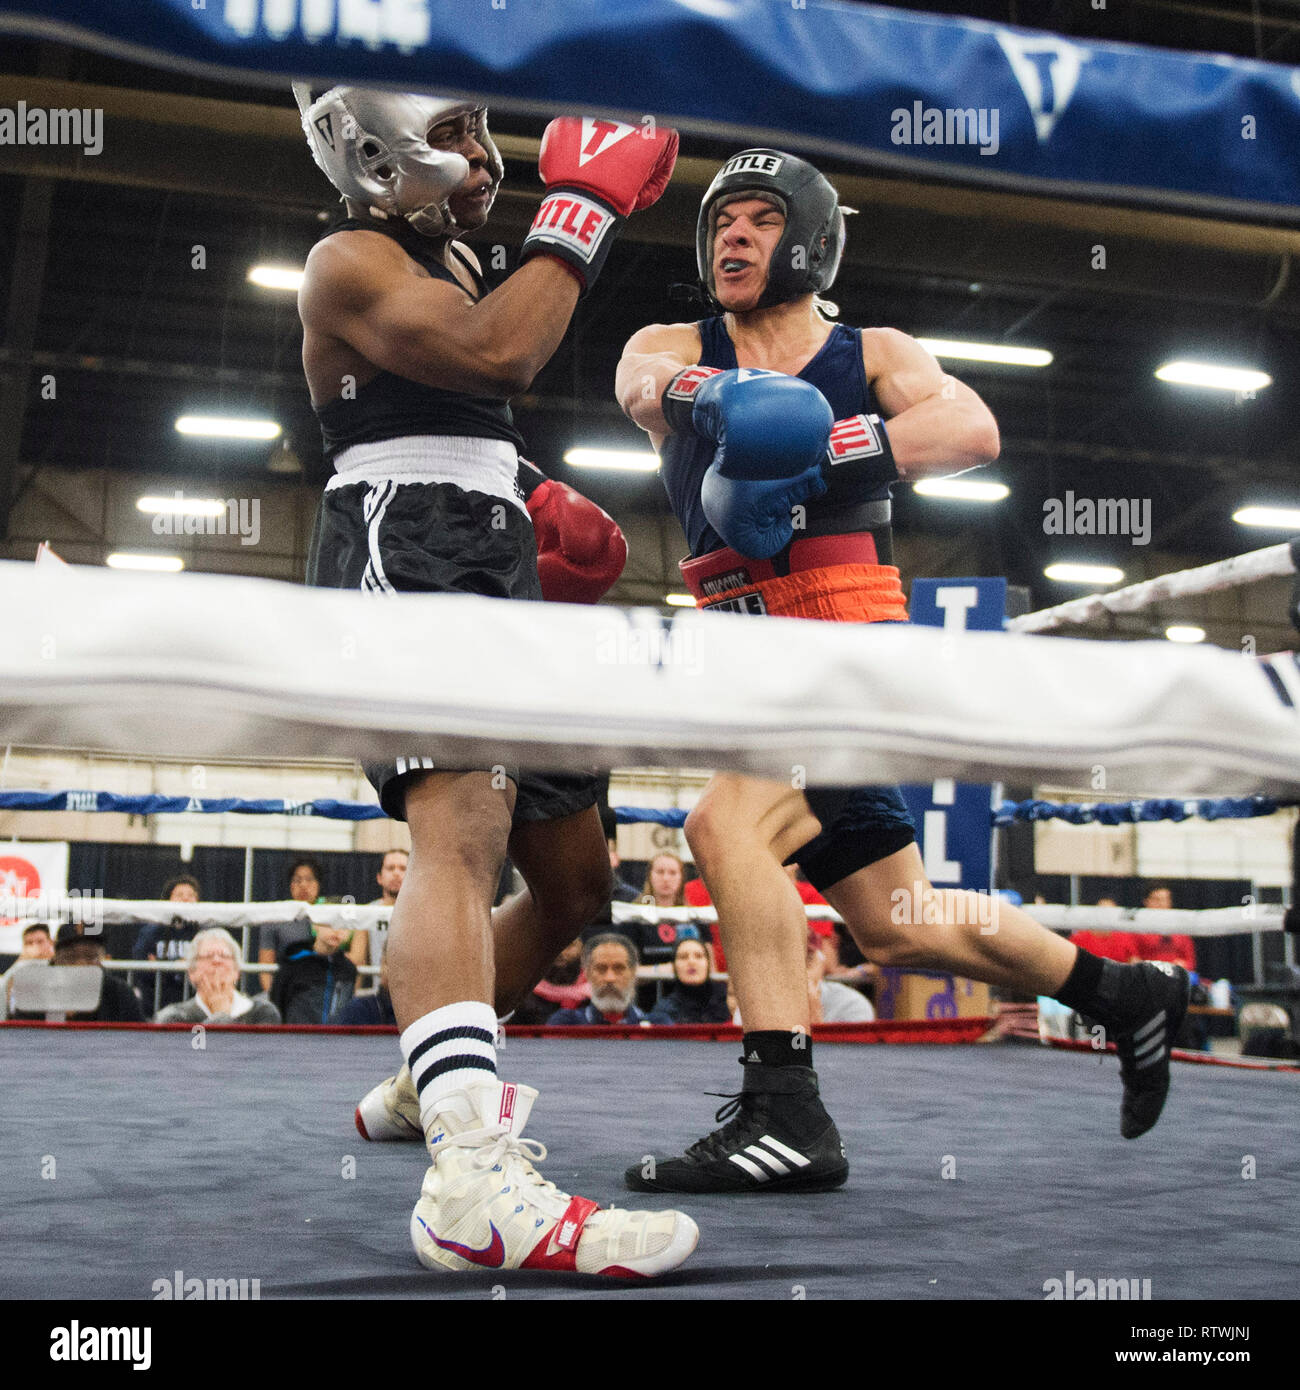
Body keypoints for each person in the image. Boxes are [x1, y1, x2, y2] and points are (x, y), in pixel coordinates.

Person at [613, 148, 1191, 1194]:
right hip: (746, 648)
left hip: (844, 636)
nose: (731, 237)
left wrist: (821, 452)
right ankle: (1122, 993)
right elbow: (639, 387)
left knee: (724, 826)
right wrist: (723, 400)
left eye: (756, 219)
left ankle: (784, 1112)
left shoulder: (870, 348)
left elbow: (969, 426)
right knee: (894, 921)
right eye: (720, 223)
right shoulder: (671, 343)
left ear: (812, 238)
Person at [293, 83, 695, 1276]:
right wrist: (583, 207)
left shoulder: (464, 257)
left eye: (482, 130)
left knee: (575, 881)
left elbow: (477, 386)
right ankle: (469, 1175)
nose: (487, 156)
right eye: (457, 135)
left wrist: (528, 488)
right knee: (460, 832)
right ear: (379, 152)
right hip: (400, 532)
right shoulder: (344, 261)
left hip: (486, 536)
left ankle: (432, 1070)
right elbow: (494, 352)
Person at [155, 929, 281, 1024]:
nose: (217, 961)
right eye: (208, 956)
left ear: (237, 971)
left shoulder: (262, 1013)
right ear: (192, 973)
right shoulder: (173, 1017)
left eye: (224, 956)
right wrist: (221, 1015)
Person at [132, 875, 203, 1015]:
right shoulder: (151, 932)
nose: (186, 899)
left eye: (191, 895)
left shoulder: (203, 934)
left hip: (193, 1006)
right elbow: (141, 968)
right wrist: (180, 966)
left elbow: (202, 970)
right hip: (155, 1005)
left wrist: (161, 966)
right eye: (180, 895)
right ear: (168, 899)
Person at [546, 935, 652, 1026]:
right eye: (601, 969)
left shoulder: (657, 1025)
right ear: (587, 974)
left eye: (619, 968)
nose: (610, 978)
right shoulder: (565, 1024)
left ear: (633, 974)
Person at [269, 922, 358, 1024]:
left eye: (343, 926)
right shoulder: (294, 962)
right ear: (315, 925)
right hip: (297, 1037)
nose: (337, 931)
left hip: (336, 1037)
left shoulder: (348, 969)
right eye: (329, 925)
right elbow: (277, 1004)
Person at [633, 852, 704, 963]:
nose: (666, 878)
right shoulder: (634, 915)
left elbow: (709, 966)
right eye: (660, 872)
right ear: (649, 876)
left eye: (672, 873)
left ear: (682, 878)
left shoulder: (694, 916)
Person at [647, 938, 730, 1024]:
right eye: (683, 957)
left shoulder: (729, 1002)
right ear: (674, 967)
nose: (691, 962)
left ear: (708, 964)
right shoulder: (664, 1010)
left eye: (699, 956)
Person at [330, 940, 397, 1026]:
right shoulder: (357, 1011)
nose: (396, 972)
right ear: (382, 963)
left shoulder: (419, 1019)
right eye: (391, 963)